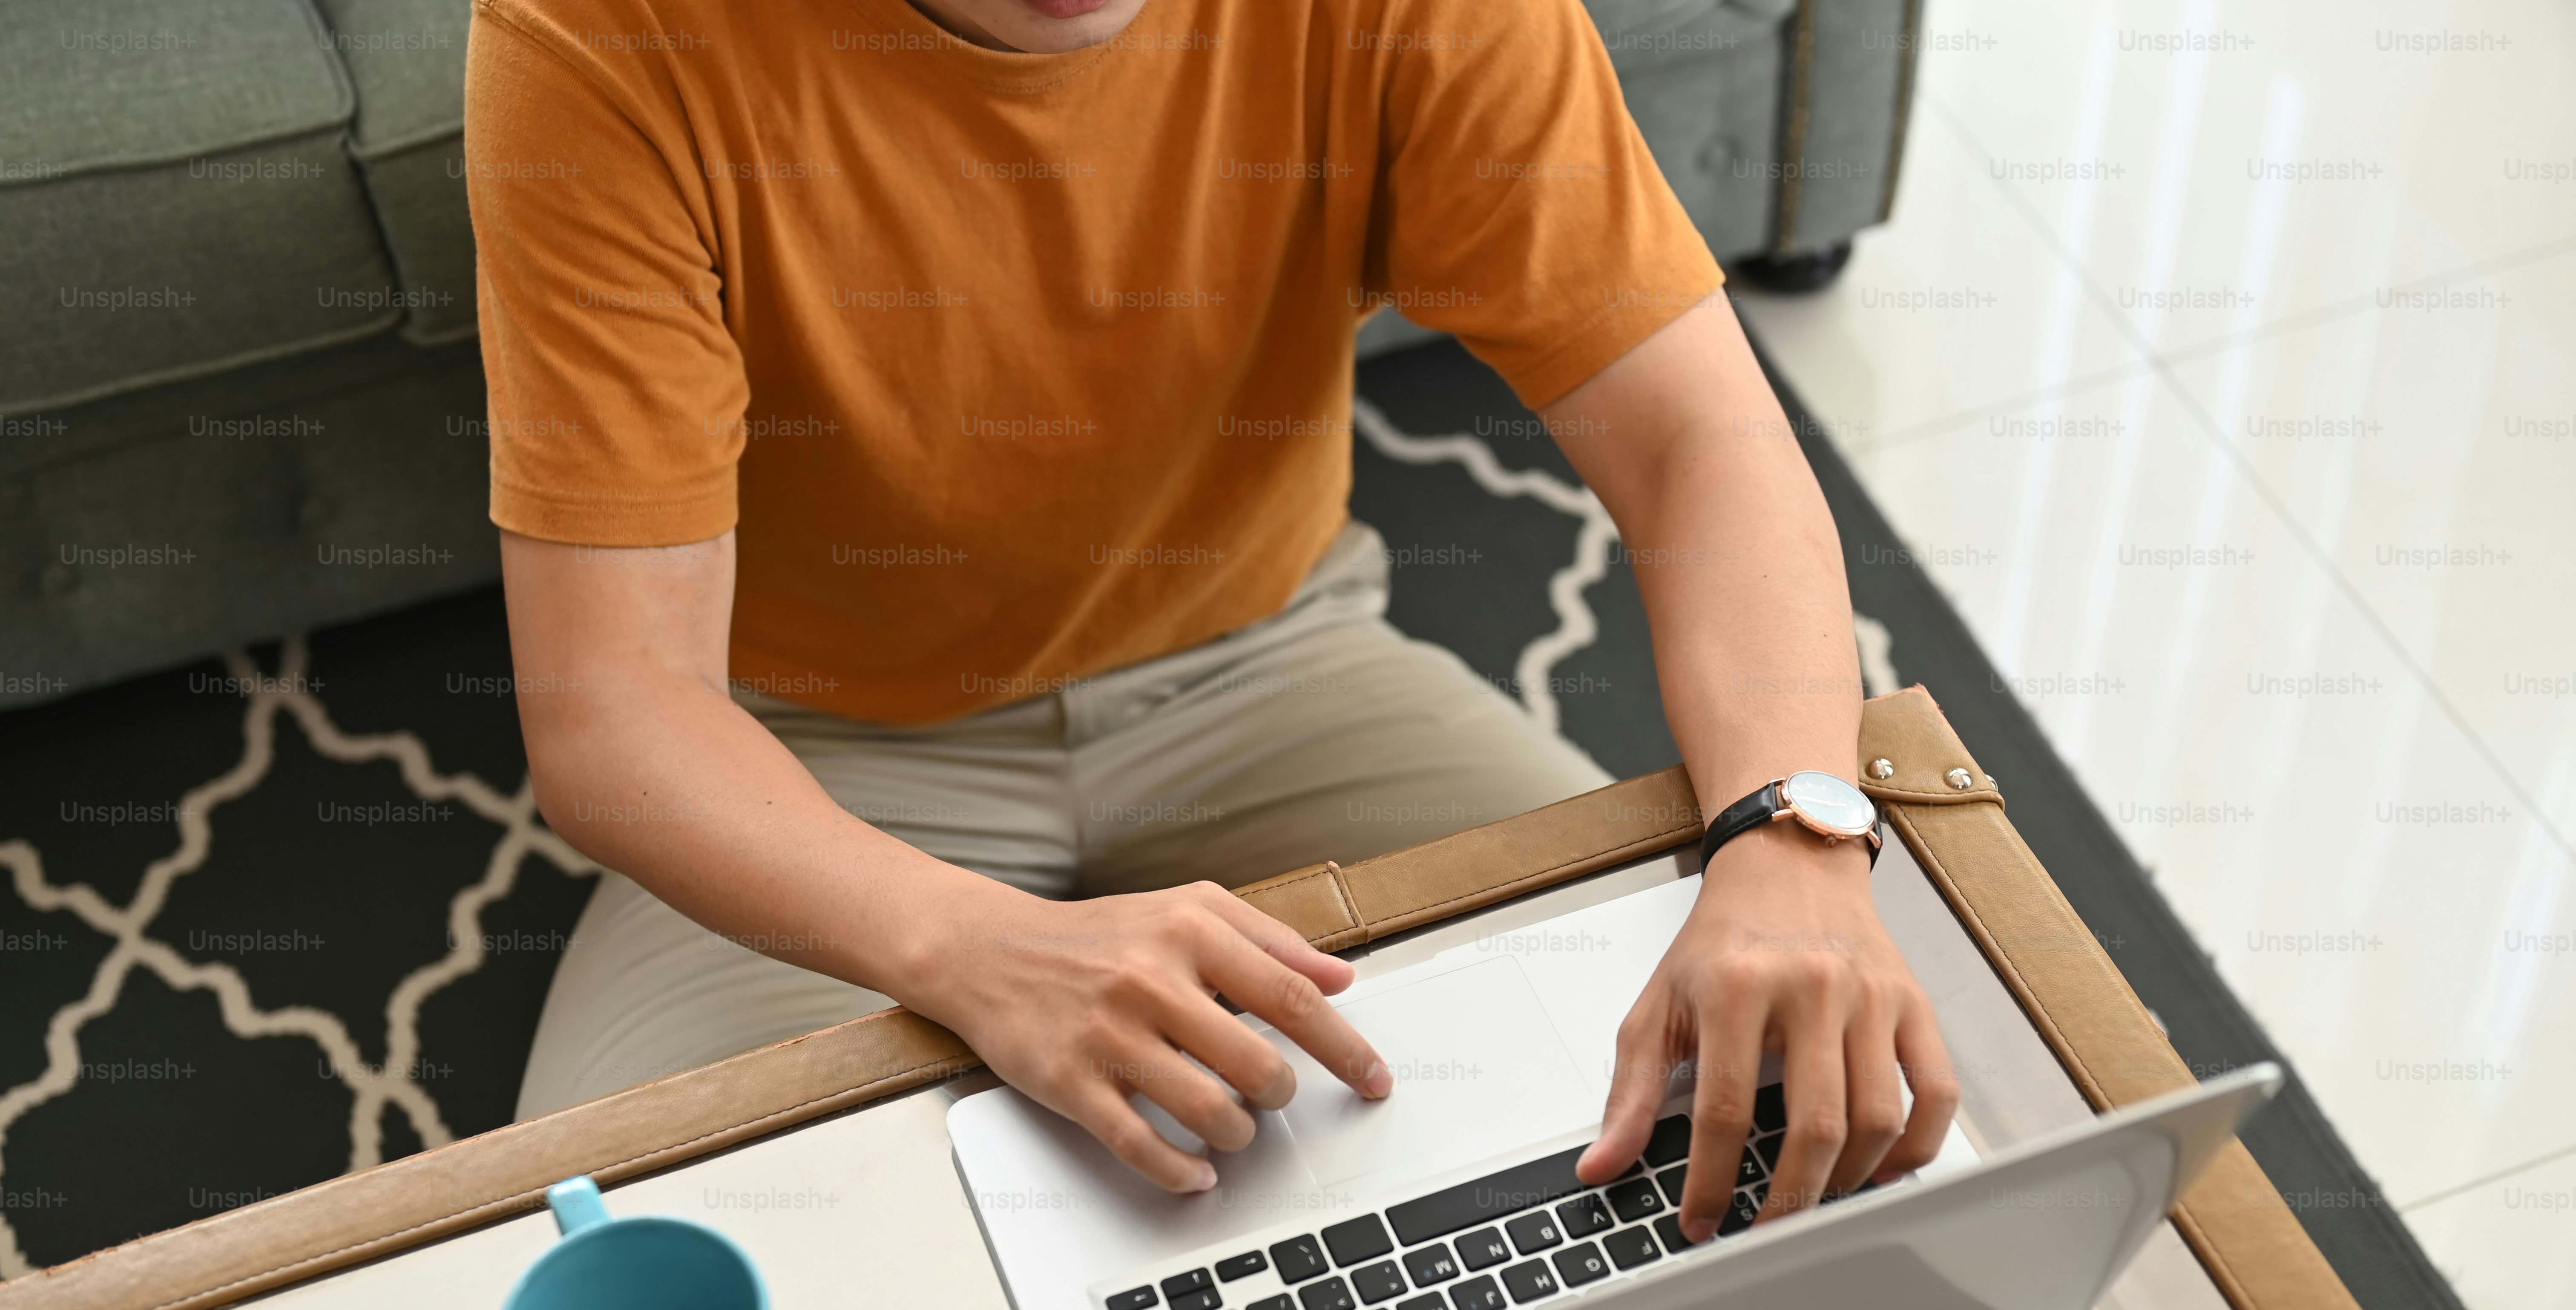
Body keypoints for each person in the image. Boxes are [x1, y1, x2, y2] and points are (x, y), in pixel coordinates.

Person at [463, 0, 1958, 1243]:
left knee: (1714, 1088)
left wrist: (1794, 830)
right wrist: (975, 948)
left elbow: (1699, 437)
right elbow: (618, 713)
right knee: (615, 1266)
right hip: (812, 740)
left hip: (1272, 655)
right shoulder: (599, 31)